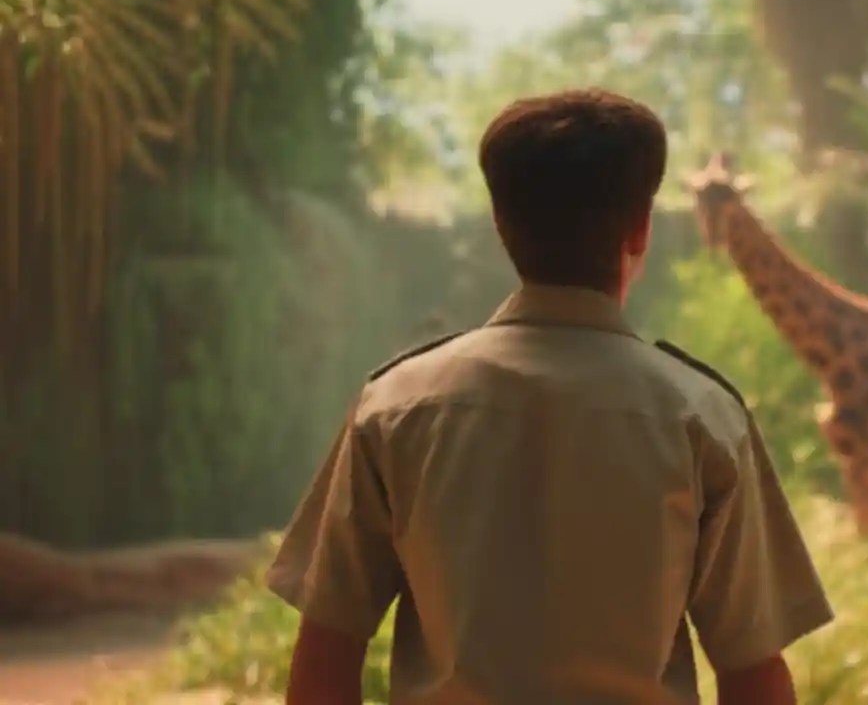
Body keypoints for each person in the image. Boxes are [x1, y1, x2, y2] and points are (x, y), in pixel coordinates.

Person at [267, 88, 833, 705]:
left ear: (501, 224)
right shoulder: (701, 417)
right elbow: (752, 672)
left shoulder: (396, 408)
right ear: (640, 231)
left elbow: (326, 654)